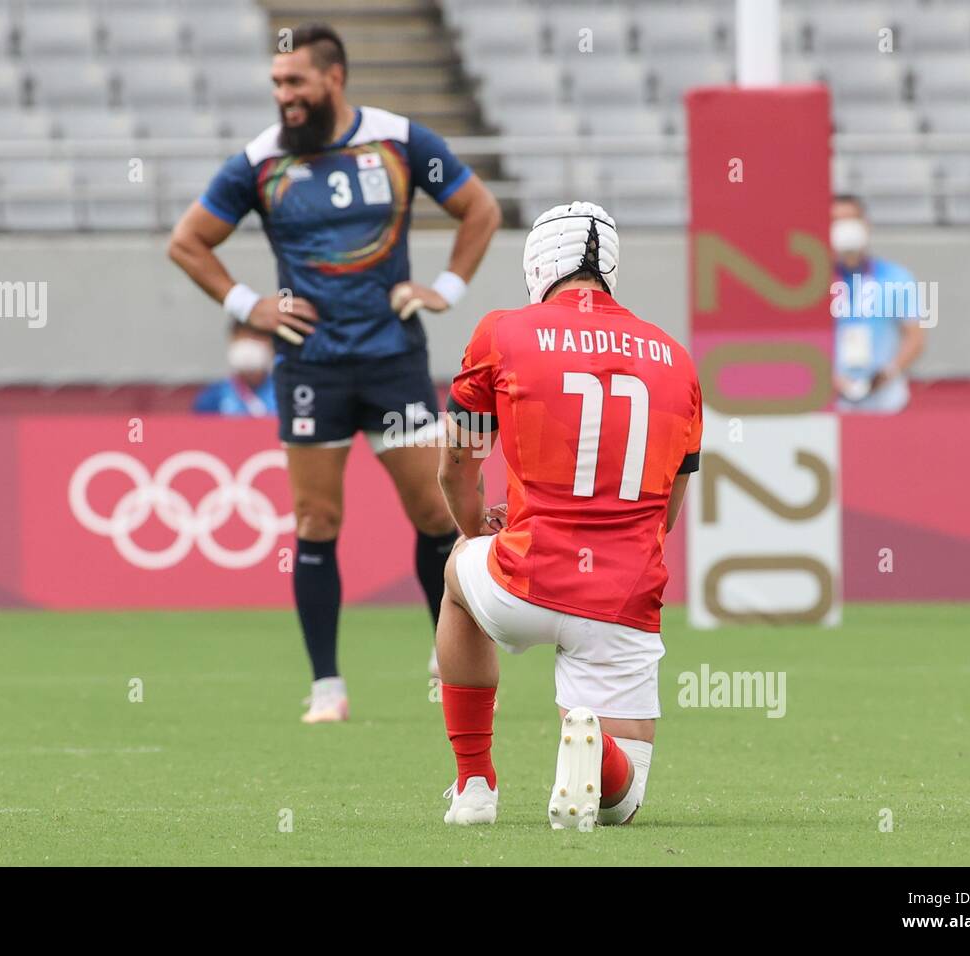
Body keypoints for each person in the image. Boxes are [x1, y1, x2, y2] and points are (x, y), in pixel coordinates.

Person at [168, 22, 502, 723]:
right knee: (317, 521)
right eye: (277, 84)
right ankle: (327, 685)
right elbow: (189, 242)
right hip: (311, 367)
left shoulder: (400, 142)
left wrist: (445, 288)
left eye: (295, 82)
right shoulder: (259, 163)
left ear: (334, 78)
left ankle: (448, 662)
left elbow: (480, 209)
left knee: (434, 514)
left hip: (391, 359)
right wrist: (248, 304)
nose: (284, 96)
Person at [434, 202, 702, 829]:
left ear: (537, 264)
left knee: (456, 579)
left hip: (522, 578)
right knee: (622, 801)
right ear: (611, 267)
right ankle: (594, 746)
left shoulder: (502, 332)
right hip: (623, 599)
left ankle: (474, 783)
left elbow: (456, 469)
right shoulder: (676, 358)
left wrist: (477, 536)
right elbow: (667, 513)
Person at [830, 194, 926, 413]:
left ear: (865, 224)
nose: (844, 228)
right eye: (836, 222)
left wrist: (887, 373)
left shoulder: (897, 277)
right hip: (832, 403)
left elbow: (916, 337)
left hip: (886, 402)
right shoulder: (814, 285)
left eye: (850, 220)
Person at [192, 321, 277, 416]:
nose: (249, 347)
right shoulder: (214, 396)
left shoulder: (287, 392)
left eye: (257, 337)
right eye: (243, 338)